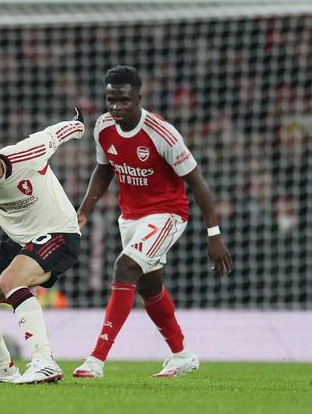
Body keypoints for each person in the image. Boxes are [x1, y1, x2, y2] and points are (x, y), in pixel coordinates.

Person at [73, 65, 233, 379]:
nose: (116, 107)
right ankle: (182, 355)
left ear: (139, 98)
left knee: (125, 267)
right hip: (130, 217)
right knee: (150, 287)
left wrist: (214, 234)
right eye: (111, 100)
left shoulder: (162, 133)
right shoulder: (103, 127)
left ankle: (96, 359)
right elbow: (104, 169)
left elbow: (198, 183)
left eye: (124, 100)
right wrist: (84, 210)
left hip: (167, 214)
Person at [0, 111, 86, 384]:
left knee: (11, 279)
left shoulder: (27, 154)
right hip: (19, 243)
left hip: (58, 234)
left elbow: (54, 134)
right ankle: (3, 371)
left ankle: (44, 361)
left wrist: (77, 125)